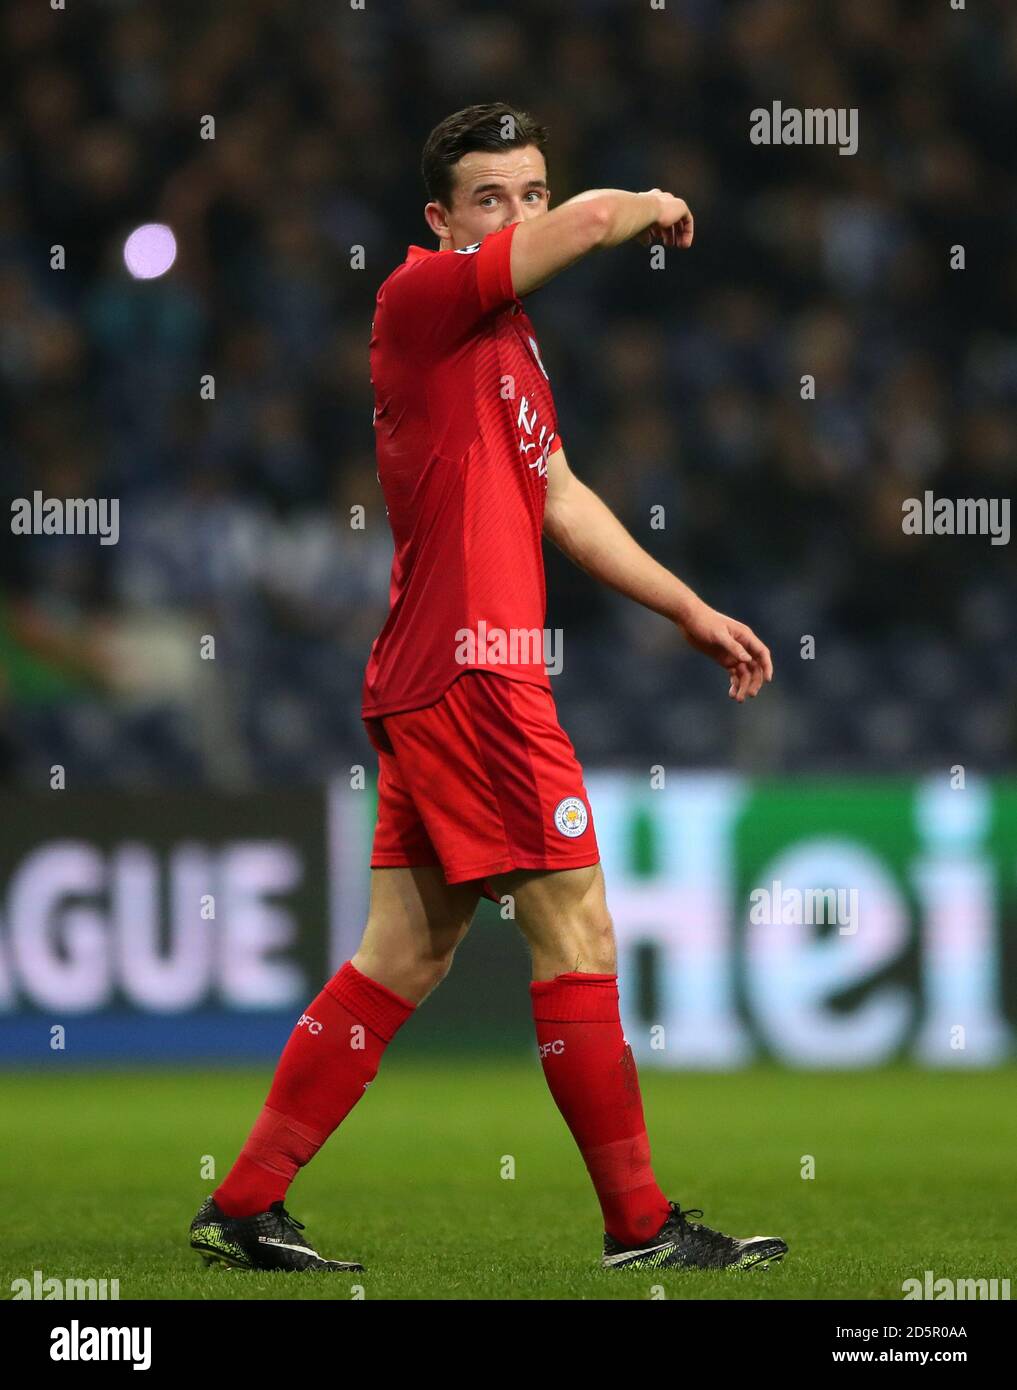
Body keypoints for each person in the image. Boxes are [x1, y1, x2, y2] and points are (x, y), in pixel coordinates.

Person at [190, 103, 786, 1274]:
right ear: (440, 219)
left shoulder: (508, 344)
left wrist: (689, 609)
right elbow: (600, 219)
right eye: (491, 198)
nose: (517, 215)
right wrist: (649, 203)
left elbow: (559, 496)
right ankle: (639, 1227)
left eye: (532, 191)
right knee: (580, 934)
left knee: (402, 956)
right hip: (474, 674)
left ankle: (245, 1206)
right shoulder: (424, 296)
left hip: (434, 674)